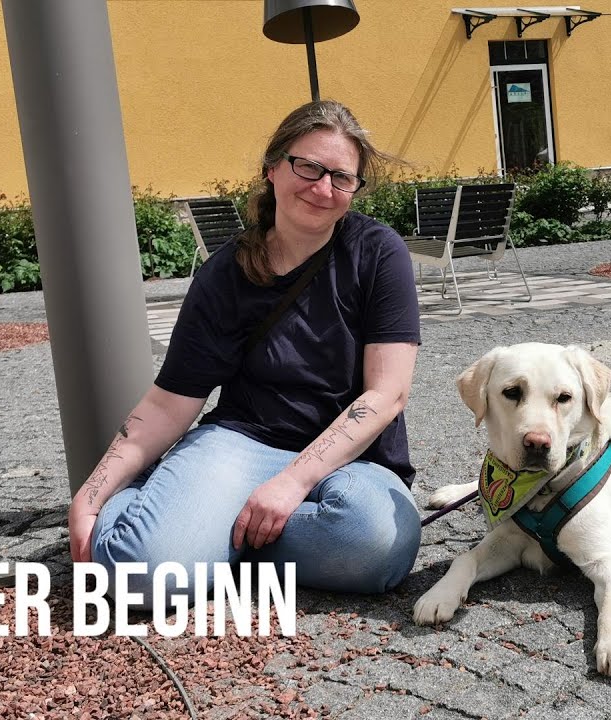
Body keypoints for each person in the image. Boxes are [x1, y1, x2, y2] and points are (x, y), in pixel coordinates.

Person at [67, 100, 422, 607]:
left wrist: (291, 483)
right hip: (240, 445)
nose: (323, 188)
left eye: (341, 178)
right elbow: (170, 402)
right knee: (141, 579)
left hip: (351, 458)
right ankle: (165, 520)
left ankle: (217, 541)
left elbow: (387, 394)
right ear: (273, 168)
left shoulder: (376, 251)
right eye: (309, 166)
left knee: (377, 545)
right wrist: (95, 490)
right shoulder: (225, 273)